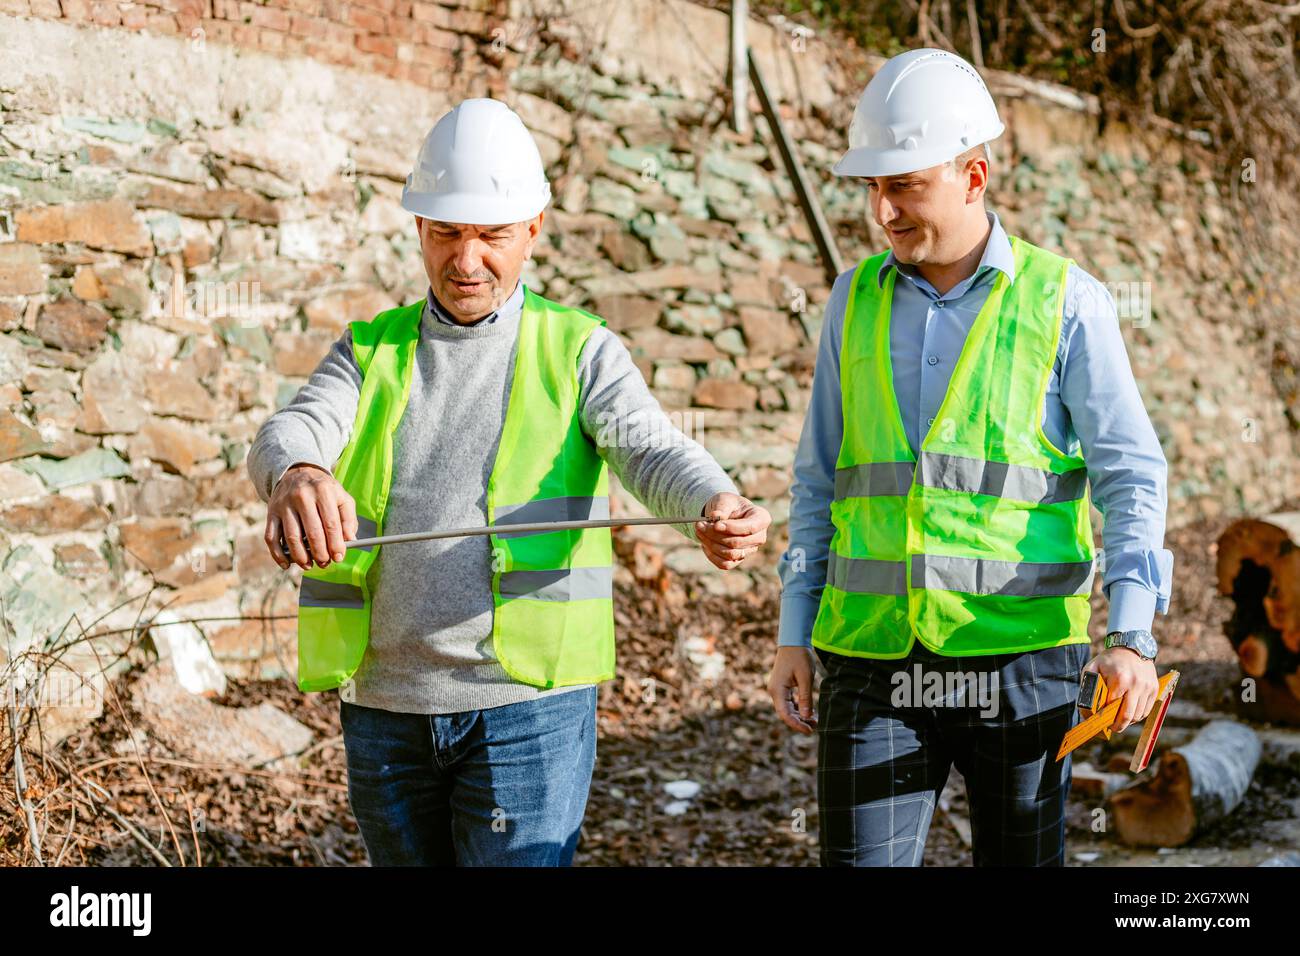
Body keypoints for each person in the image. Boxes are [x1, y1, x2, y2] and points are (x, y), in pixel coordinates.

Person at [247, 98, 771, 866]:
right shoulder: (370, 351)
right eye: (447, 233)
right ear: (419, 230)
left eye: (491, 235)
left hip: (527, 714)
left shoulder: (578, 350)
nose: (467, 260)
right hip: (384, 710)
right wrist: (295, 474)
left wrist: (712, 500)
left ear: (534, 229)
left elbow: (648, 447)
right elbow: (287, 433)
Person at [767, 49, 1173, 866]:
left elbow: (1132, 473)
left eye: (905, 184)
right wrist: (792, 627)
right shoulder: (853, 300)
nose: (883, 210)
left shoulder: (1066, 302)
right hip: (871, 659)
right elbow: (820, 477)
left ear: (973, 175)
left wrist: (1131, 634)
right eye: (874, 188)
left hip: (1022, 668)